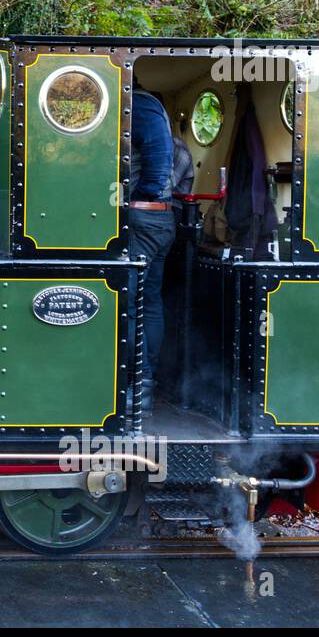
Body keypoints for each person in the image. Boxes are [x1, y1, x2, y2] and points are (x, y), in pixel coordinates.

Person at [129, 88, 175, 416]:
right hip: (155, 218)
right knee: (148, 303)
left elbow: (158, 166)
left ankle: (138, 388)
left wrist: (138, 199)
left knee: (131, 303)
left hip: (144, 218)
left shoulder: (140, 104)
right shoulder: (146, 106)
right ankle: (144, 385)